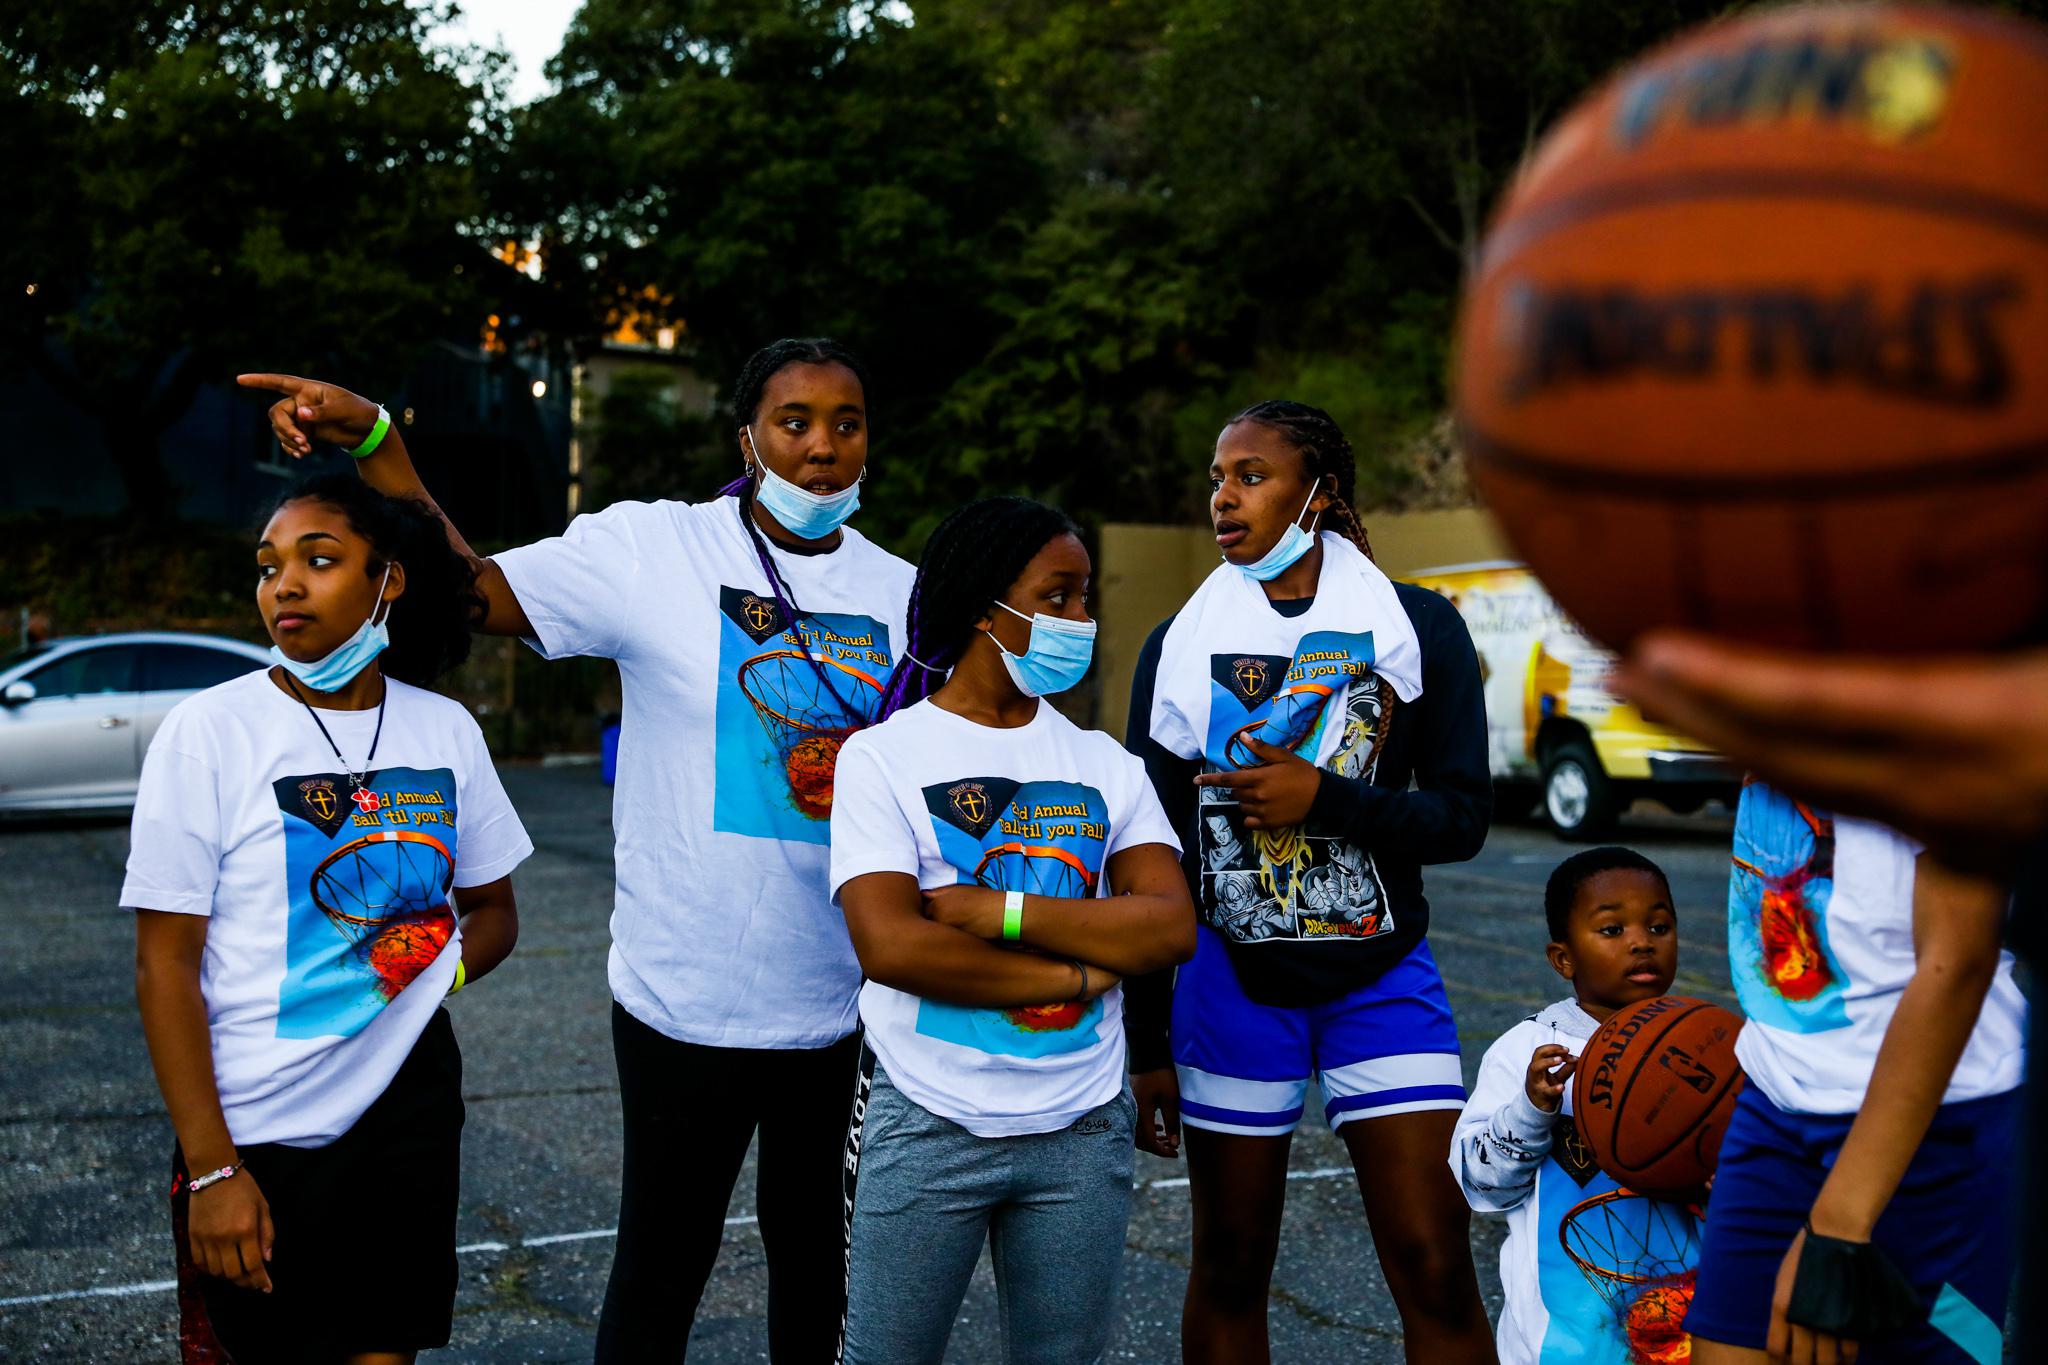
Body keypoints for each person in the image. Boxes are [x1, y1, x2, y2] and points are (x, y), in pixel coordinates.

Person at [238, 338, 916, 1362]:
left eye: (845, 424)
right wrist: (379, 439)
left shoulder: (905, 596)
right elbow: (469, 589)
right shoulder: (655, 549)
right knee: (659, 1275)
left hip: (840, 1004)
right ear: (746, 438)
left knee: (820, 1279)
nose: (821, 447)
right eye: (794, 422)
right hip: (682, 998)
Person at [1123, 400, 1497, 1363]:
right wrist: (1146, 1037)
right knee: (1231, 1266)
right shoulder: (1177, 643)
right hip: (1232, 983)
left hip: (1383, 976)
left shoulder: (1416, 626)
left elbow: (1461, 817)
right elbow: (1150, 857)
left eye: (1251, 476)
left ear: (1317, 493)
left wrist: (1325, 798)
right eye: (1218, 477)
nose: (1224, 496)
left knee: (1436, 1263)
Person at [126, 476, 531, 1364]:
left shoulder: (445, 729)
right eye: (268, 566)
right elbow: (165, 965)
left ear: (388, 580)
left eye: (320, 559)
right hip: (258, 1126)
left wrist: (437, 969)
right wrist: (214, 1167)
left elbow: (494, 909)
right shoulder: (209, 731)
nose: (286, 584)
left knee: (385, 1349)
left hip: (409, 1110)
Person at [829, 496, 1196, 1364]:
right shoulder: (882, 756)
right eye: (1057, 596)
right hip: (927, 1115)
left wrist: (1003, 913)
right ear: (984, 608)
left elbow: (1168, 926)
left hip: (1080, 1127)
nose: (1081, 618)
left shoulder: (1106, 763)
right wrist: (1077, 971)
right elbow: (894, 947)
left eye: (1085, 595)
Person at [1680, 781, 2025, 1365]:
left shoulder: (1935, 726)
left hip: (1936, 1118)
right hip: (1777, 1096)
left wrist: (1838, 1222)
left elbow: (1959, 960)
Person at [1452, 847, 1700, 1365]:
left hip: (1686, 1324)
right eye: (1613, 930)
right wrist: (1531, 1110)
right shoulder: (1528, 1052)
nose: (1641, 942)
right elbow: (1481, 1184)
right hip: (1561, 1340)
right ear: (1563, 959)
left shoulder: (1704, 1048)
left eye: (1659, 927)